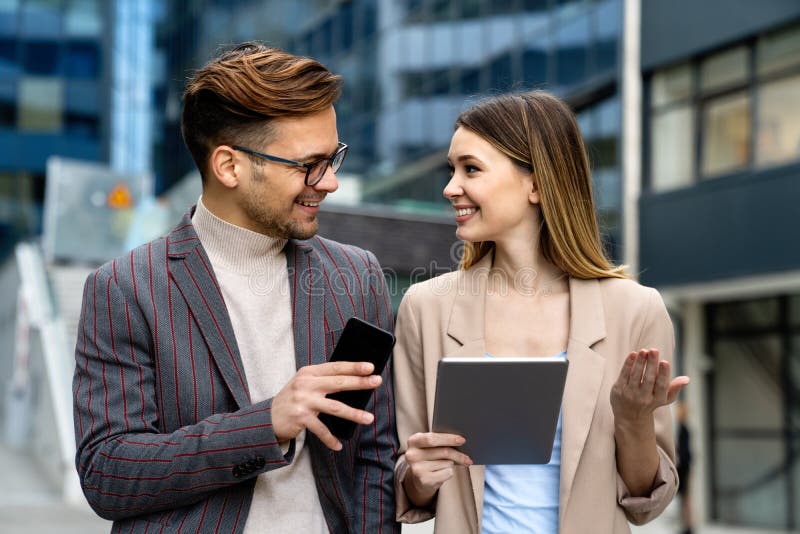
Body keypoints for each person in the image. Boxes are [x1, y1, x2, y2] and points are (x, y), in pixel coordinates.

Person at [72, 42, 399, 534]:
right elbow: (108, 473)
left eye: (334, 159)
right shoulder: (124, 288)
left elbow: (376, 457)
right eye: (309, 164)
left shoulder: (358, 276)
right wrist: (264, 425)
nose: (329, 182)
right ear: (229, 167)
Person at [392, 90, 690, 533]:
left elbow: (646, 501)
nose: (450, 187)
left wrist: (633, 421)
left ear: (535, 183)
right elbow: (411, 485)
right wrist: (417, 474)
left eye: (470, 169)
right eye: (451, 169)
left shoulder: (635, 310)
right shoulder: (425, 308)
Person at [676, 401, 694, 534]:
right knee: (684, 499)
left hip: (684, 469)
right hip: (684, 468)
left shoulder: (684, 430)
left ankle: (688, 527)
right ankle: (686, 526)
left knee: (686, 499)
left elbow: (685, 452)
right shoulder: (682, 429)